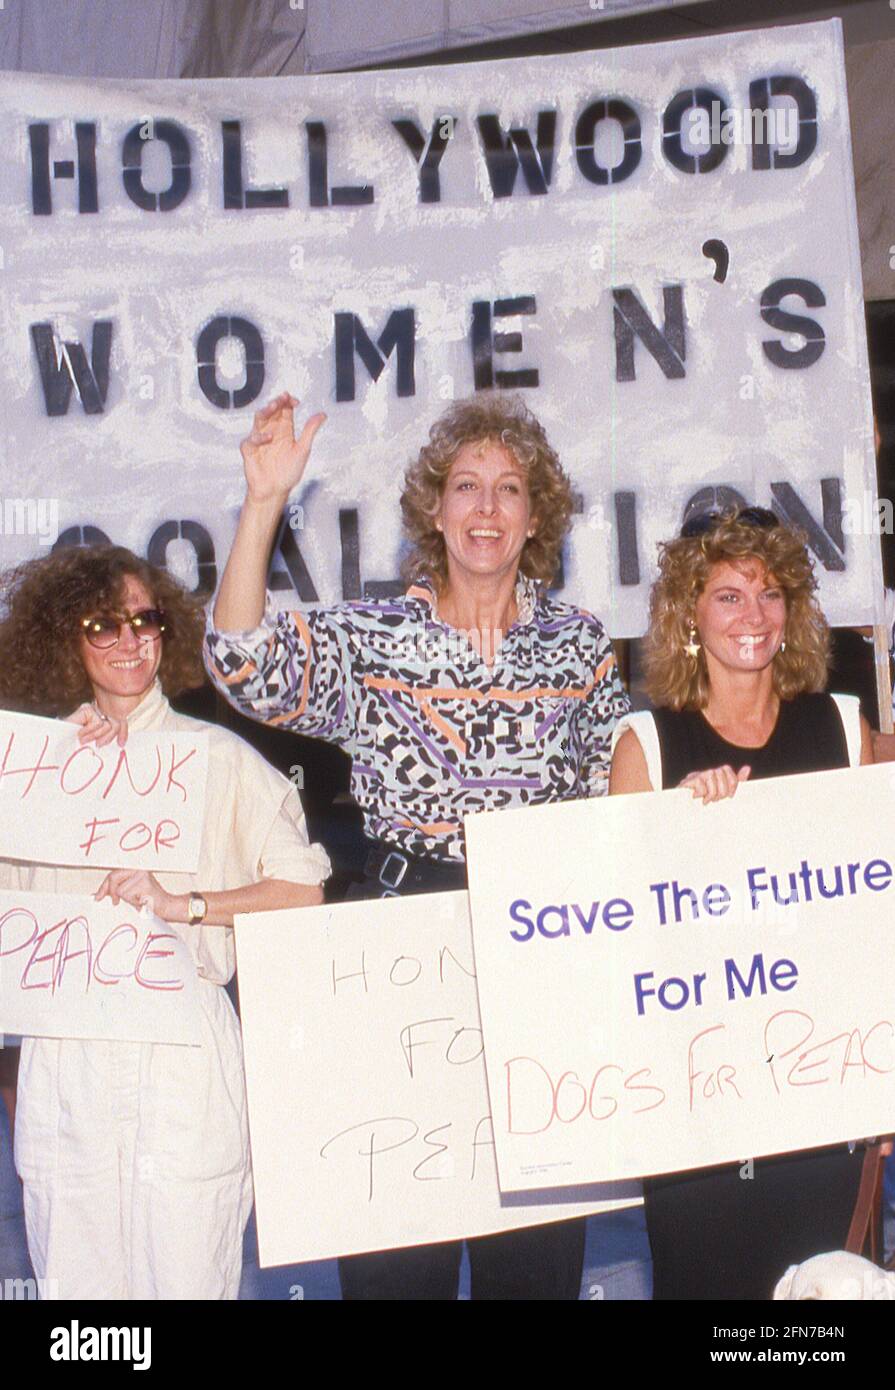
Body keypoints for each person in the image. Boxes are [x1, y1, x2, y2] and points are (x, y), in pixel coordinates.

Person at [204, 390, 631, 1300]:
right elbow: (242, 661)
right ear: (433, 511)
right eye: (466, 488)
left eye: (508, 489)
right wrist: (262, 503)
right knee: (399, 1259)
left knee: (535, 1261)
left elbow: (614, 806)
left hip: (536, 948)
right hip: (396, 949)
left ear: (534, 516)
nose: (485, 508)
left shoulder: (582, 648)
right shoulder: (373, 636)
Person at [0, 545, 330, 1300]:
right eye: (101, 624)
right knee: (84, 1315)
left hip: (185, 1053)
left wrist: (189, 905)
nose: (127, 641)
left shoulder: (218, 759)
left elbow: (300, 892)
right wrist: (53, 767)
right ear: (66, 640)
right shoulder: (29, 769)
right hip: (69, 1054)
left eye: (144, 620)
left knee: (187, 1279)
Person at [609, 505, 873, 1301]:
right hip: (696, 1095)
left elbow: (870, 911)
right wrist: (676, 833)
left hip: (820, 1084)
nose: (751, 617)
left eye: (768, 594)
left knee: (815, 1311)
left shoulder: (840, 726)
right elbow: (618, 931)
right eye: (727, 596)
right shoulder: (645, 745)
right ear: (688, 615)